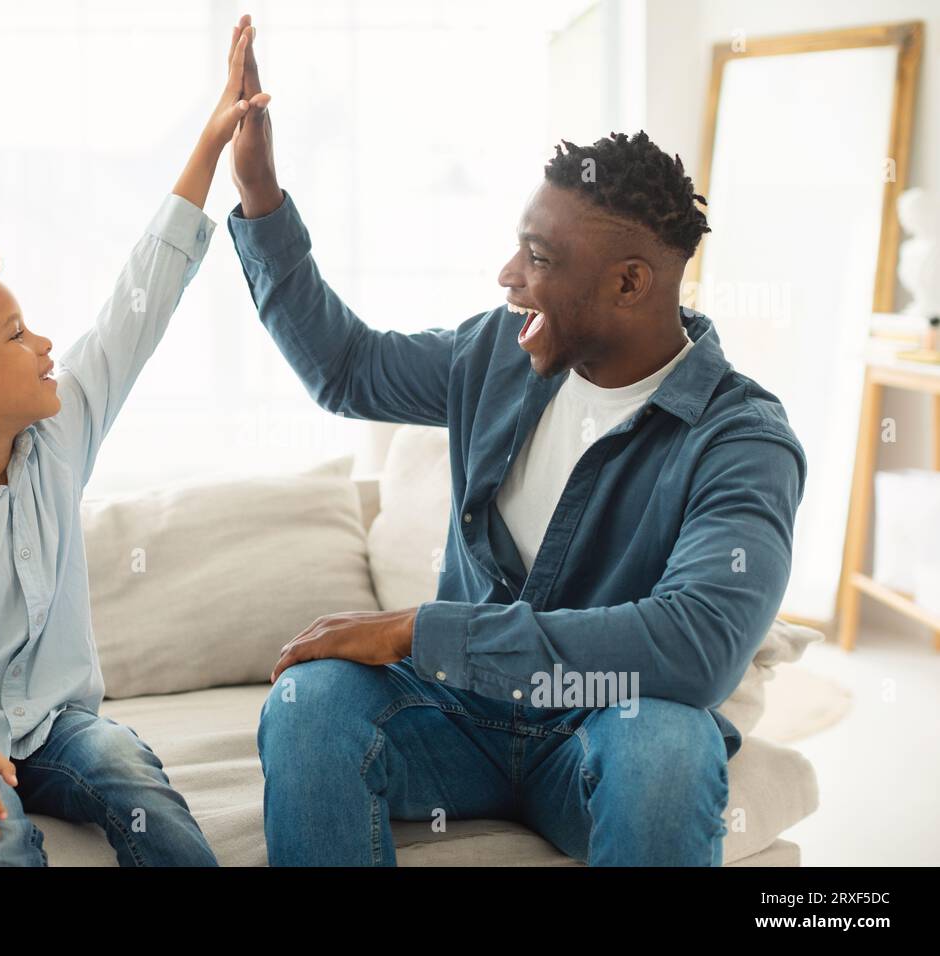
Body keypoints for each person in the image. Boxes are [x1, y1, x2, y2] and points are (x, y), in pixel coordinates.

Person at [224, 14, 806, 866]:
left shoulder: (741, 438)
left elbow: (696, 647)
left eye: (537, 257)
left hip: (600, 725)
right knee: (309, 704)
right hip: (451, 717)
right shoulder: (497, 353)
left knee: (669, 747)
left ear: (630, 283)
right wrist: (261, 197)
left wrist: (426, 631)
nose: (507, 276)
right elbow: (347, 371)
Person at [0, 23, 269, 867]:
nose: (45, 346)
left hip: (55, 727)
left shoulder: (56, 432)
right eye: (17, 335)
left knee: (132, 774)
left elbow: (138, 302)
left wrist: (212, 142)